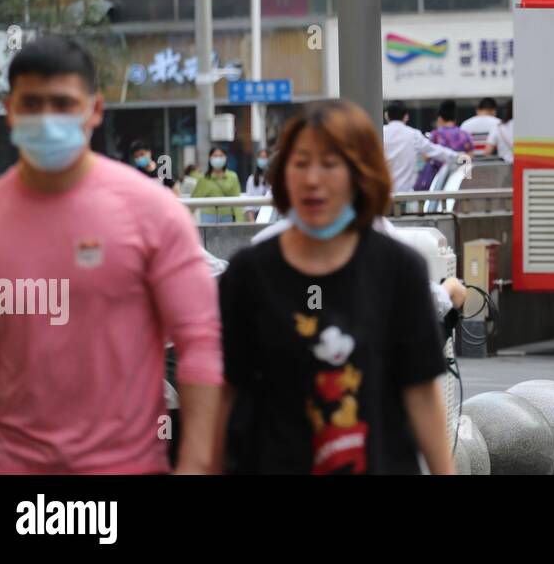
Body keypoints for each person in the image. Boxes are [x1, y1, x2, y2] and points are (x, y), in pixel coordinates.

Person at [0, 36, 223, 474]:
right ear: (9, 111)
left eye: (63, 104)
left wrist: (196, 464)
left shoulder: (154, 214)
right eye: (32, 104)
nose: (48, 119)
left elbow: (200, 346)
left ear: (95, 109)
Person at [217, 99, 453, 474]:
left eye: (330, 164)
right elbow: (225, 390)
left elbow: (421, 391)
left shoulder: (399, 270)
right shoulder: (249, 273)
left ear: (361, 174)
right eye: (300, 162)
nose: (313, 179)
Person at [382, 101, 465, 202]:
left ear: (386, 116)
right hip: (406, 195)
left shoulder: (380, 132)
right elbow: (435, 151)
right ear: (406, 116)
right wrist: (458, 156)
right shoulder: (413, 135)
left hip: (384, 194)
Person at [415, 100, 474, 192]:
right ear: (454, 119)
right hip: (458, 178)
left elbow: (426, 157)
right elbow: (470, 156)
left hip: (437, 179)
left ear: (440, 118)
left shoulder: (435, 135)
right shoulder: (464, 135)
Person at [192, 145, 242, 223]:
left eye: (221, 156)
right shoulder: (204, 178)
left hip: (227, 216)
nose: (218, 158)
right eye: (215, 156)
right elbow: (194, 200)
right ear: (210, 158)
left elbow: (237, 200)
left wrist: (240, 221)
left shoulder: (232, 177)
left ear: (226, 158)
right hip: (208, 216)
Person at [244, 148, 271, 221]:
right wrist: (252, 220)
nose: (263, 160)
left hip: (272, 215)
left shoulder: (275, 178)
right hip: (256, 215)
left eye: (265, 157)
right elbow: (249, 202)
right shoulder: (252, 179)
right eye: (261, 157)